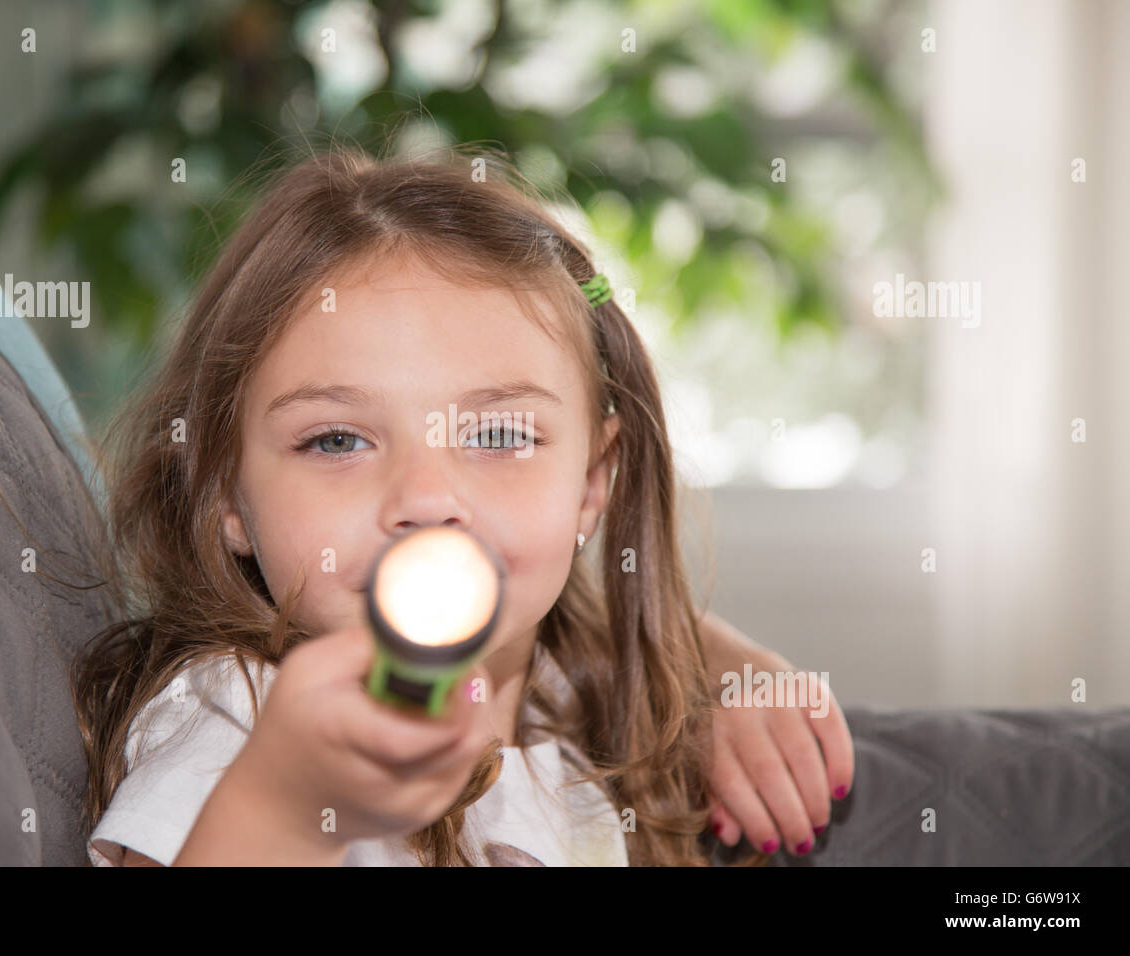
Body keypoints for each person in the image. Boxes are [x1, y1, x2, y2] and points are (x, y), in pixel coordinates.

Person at [72, 143, 854, 866]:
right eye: (337, 441)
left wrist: (723, 669)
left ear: (591, 484)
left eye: (501, 433)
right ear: (225, 498)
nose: (425, 498)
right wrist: (283, 803)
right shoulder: (241, 716)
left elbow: (600, 644)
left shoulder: (555, 698)